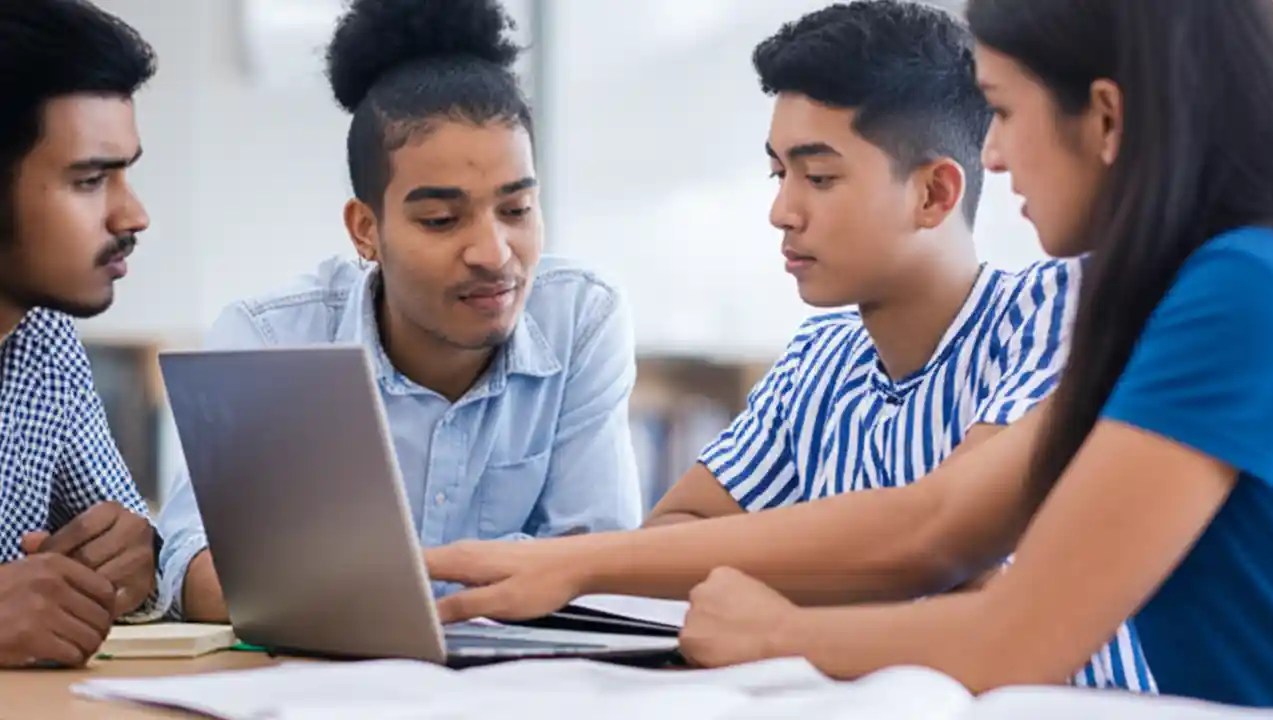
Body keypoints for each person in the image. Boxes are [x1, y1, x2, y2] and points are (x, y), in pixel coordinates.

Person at [429, 1, 1151, 691]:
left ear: (933, 195)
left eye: (820, 176)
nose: (781, 211)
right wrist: (861, 576)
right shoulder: (819, 356)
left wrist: (814, 589)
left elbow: (935, 543)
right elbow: (680, 531)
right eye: (780, 173)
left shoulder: (1058, 313)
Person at [665, 0, 1273, 707]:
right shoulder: (1192, 290)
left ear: (1106, 119)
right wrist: (560, 566)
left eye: (1005, 112)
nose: (992, 152)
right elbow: (942, 523)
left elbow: (1015, 631)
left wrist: (779, 631)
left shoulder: (1240, 288)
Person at [159, 0, 641, 622]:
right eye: (441, 220)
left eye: (517, 210)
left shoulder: (582, 319)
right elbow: (196, 570)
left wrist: (342, 580)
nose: (494, 254)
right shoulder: (270, 337)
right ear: (366, 231)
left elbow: (595, 563)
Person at [0, 0, 164, 668]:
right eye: (92, 179)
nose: (134, 213)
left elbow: (120, 536)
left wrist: (135, 558)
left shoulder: (44, 339)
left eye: (127, 172)